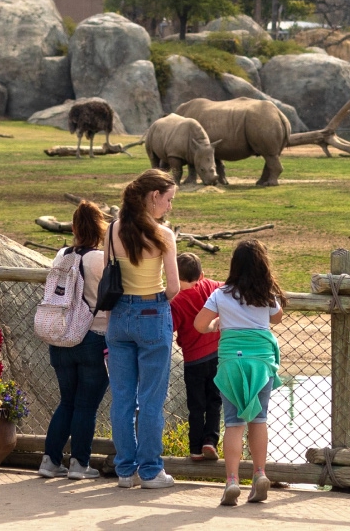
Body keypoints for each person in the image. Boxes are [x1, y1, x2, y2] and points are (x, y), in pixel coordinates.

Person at [193, 239, 285, 506]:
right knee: (259, 418)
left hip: (232, 362)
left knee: (233, 423)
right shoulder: (266, 293)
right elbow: (276, 317)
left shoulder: (221, 294)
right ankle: (259, 474)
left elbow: (200, 324)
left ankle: (232, 481)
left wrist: (216, 325)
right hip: (261, 362)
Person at [106, 169, 180, 490]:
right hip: (152, 311)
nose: (169, 206)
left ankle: (125, 471)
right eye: (168, 199)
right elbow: (174, 287)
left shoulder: (112, 230)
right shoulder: (164, 235)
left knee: (122, 397)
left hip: (119, 315)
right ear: (154, 197)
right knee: (151, 398)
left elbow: (110, 277)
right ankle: (150, 471)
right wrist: (156, 302)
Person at [39, 201, 111, 480]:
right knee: (86, 405)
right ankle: (79, 463)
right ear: (99, 225)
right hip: (92, 335)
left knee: (66, 401)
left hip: (61, 335)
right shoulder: (99, 259)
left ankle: (50, 459)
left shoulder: (61, 255)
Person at [170, 252, 224, 462]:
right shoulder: (209, 286)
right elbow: (227, 286)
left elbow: (172, 326)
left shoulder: (175, 301)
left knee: (195, 406)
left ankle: (194, 448)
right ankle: (210, 440)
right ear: (201, 274)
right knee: (214, 401)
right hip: (216, 355)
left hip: (193, 360)